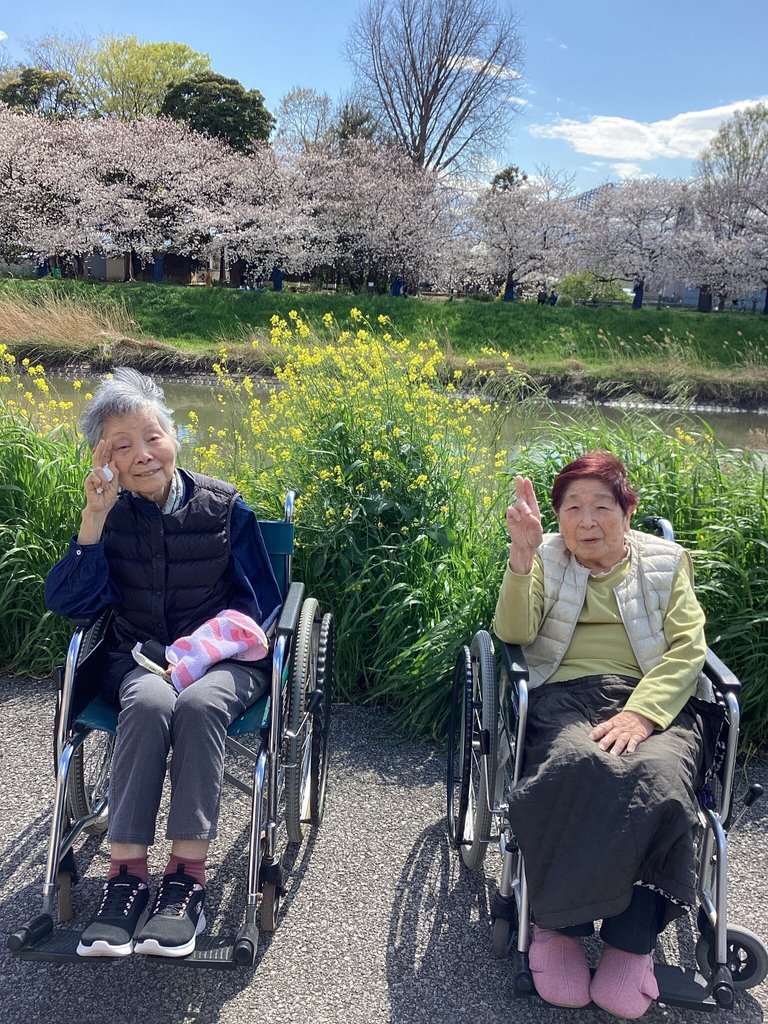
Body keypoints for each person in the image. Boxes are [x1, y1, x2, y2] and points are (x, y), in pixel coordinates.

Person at [45, 368, 281, 959]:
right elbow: (69, 603)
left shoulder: (224, 507)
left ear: (173, 436)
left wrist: (204, 649)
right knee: (149, 704)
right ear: (105, 460)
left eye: (151, 436)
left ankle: (185, 881)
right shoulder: (110, 514)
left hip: (223, 660)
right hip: (140, 664)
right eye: (121, 446)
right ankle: (125, 879)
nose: (142, 455)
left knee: (199, 707)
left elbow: (265, 604)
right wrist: (93, 520)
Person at [493, 452, 715, 1019]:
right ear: (557, 517)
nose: (586, 521)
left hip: (654, 702)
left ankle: (630, 942)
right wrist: (521, 559)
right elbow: (513, 633)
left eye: (601, 507)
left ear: (627, 510)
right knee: (575, 763)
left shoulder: (666, 562)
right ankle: (559, 928)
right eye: (572, 508)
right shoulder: (544, 557)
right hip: (565, 696)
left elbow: (689, 649)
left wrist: (643, 714)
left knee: (657, 779)